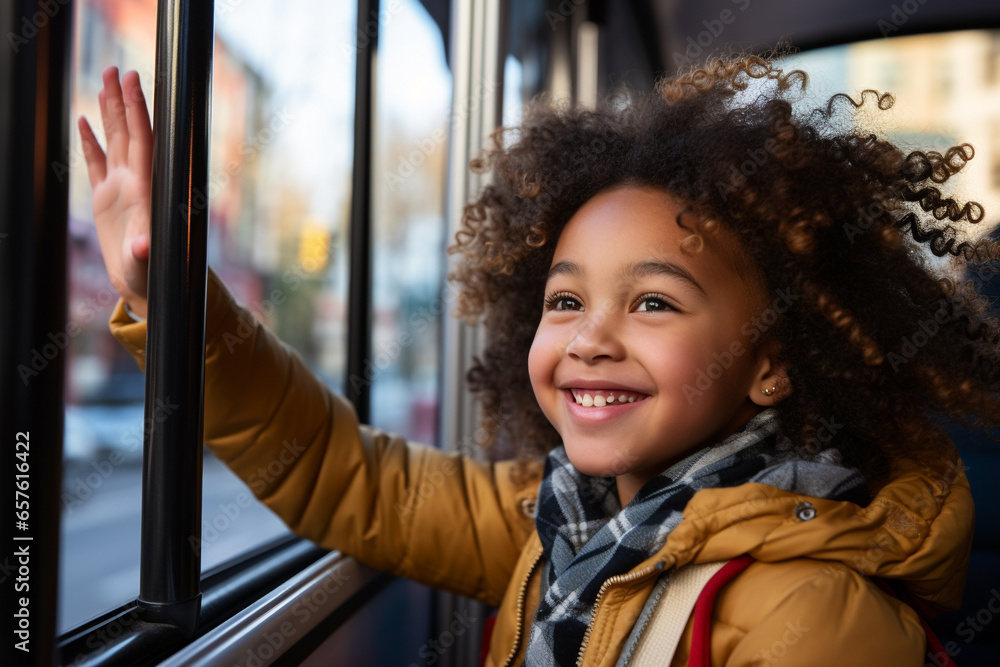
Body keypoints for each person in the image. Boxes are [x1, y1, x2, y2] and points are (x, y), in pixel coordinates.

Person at [80, 55, 1000, 666]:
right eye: (565, 300)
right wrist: (179, 306)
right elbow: (344, 472)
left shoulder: (814, 618)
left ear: (774, 363)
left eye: (651, 302)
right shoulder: (557, 520)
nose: (590, 337)